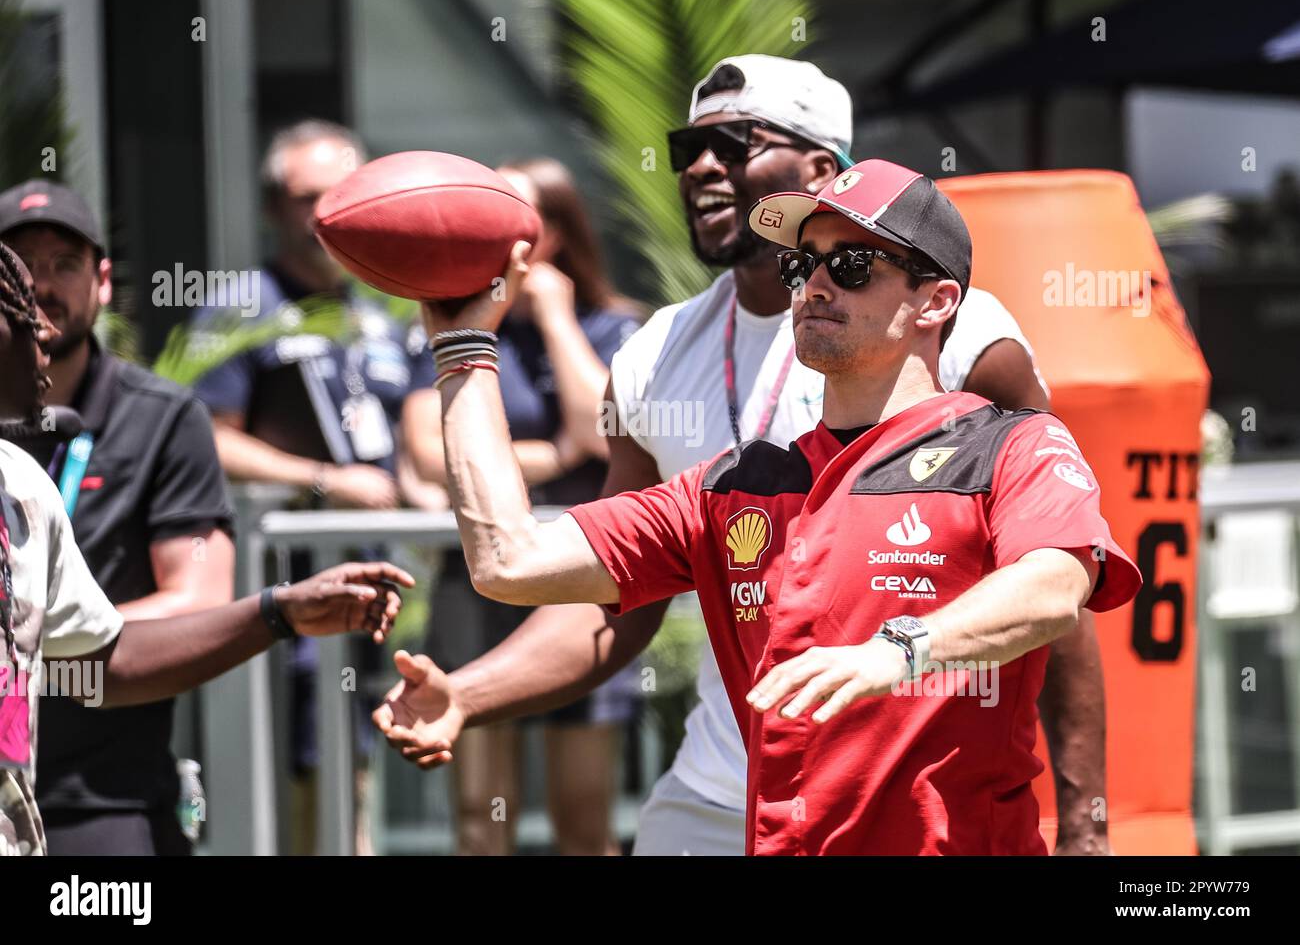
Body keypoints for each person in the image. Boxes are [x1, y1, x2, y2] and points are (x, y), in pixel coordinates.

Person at [375, 56, 1113, 855]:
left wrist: (1080, 816)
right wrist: (461, 344)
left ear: (934, 303)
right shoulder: (712, 460)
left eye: (852, 264)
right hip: (745, 803)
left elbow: (1051, 588)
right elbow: (517, 563)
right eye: (804, 263)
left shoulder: (999, 408)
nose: (816, 285)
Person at [0, 239, 413, 855]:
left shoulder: (24, 490)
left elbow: (104, 664)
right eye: (22, 311)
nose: (47, 331)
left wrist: (276, 612)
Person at [402, 158, 642, 855]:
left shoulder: (613, 327)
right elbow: (427, 451)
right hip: (475, 580)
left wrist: (558, 318)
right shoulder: (455, 319)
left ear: (557, 234)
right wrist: (560, 458)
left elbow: (605, 430)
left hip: (578, 584)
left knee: (583, 820)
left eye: (515, 221)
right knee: (481, 818)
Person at [192, 120, 412, 853]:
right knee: (289, 793)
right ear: (270, 208)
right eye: (304, 197)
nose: (323, 213)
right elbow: (208, 439)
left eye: (342, 194)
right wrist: (322, 482)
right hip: (283, 593)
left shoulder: (382, 307)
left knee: (354, 781)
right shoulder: (241, 303)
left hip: (382, 591)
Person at [0, 180, 236, 855]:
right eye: (20, 267)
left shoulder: (164, 417)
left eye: (64, 265)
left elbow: (200, 598)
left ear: (102, 282)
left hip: (104, 795)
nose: (41, 287)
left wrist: (29, 643)